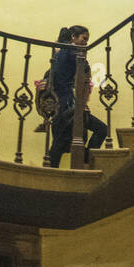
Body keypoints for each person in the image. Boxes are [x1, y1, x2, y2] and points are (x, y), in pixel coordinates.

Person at [47, 26, 107, 169]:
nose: (86, 43)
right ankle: (85, 160)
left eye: (87, 40)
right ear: (73, 37)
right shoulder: (71, 51)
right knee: (101, 130)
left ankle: (51, 171)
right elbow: (85, 67)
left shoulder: (60, 52)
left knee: (59, 144)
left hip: (61, 103)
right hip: (67, 104)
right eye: (84, 39)